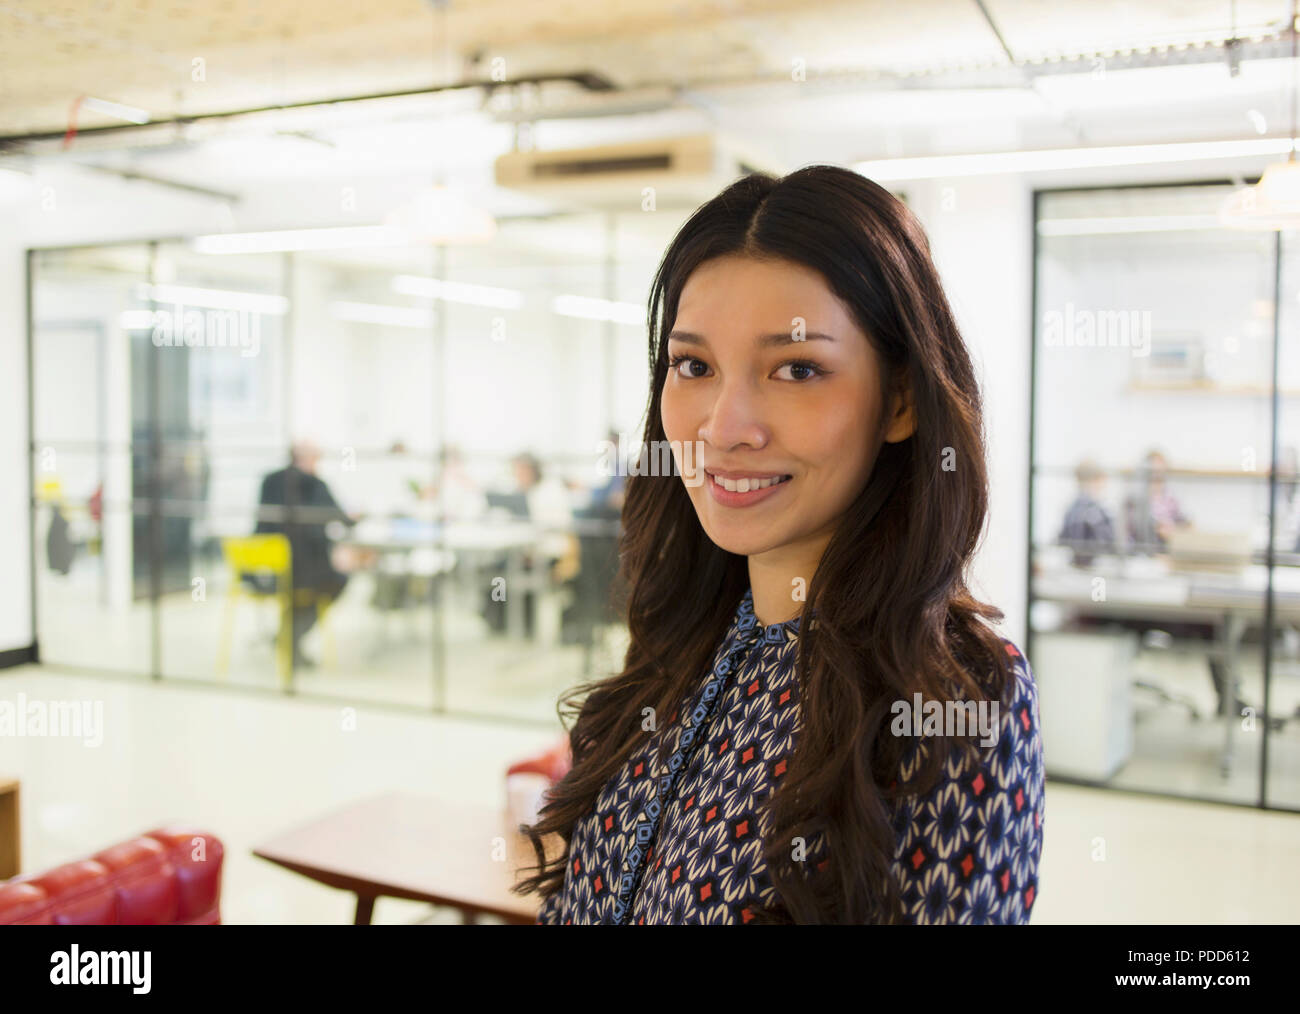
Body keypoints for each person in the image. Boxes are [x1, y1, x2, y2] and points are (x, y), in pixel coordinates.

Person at [516, 166, 1044, 925]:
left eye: (797, 369)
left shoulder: (955, 699)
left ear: (900, 400)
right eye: (693, 365)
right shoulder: (688, 640)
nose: (725, 427)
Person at [253, 440, 358, 668]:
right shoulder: (315, 484)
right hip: (302, 570)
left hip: (264, 569)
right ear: (309, 458)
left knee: (305, 589)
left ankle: (286, 637)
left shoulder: (269, 480)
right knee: (335, 582)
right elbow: (344, 519)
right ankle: (290, 638)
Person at [1057, 459, 1116, 566]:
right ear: (1095, 480)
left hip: (1075, 568)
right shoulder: (1094, 512)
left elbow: (1061, 539)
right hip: (1094, 570)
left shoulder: (1071, 509)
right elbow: (1108, 545)